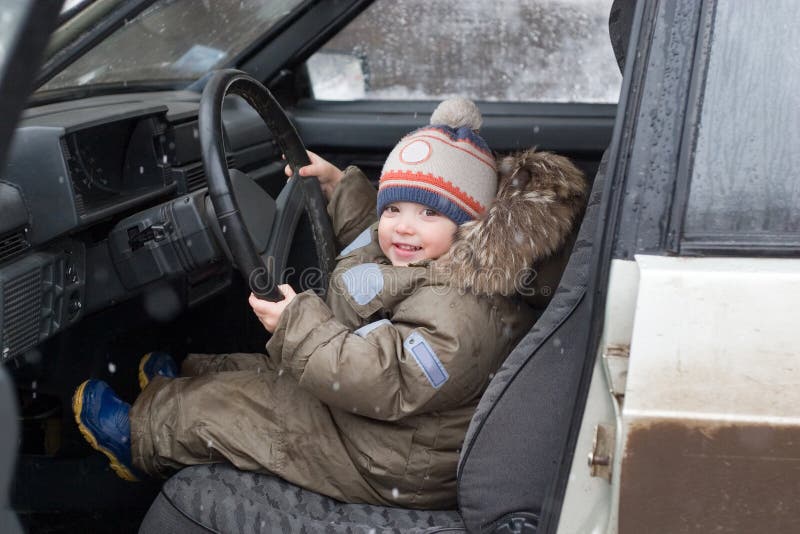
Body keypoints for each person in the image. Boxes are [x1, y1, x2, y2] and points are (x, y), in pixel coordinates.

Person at [72, 97, 586, 509]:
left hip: (391, 456)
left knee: (241, 408)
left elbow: (383, 379)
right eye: (395, 206)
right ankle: (174, 386)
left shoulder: (463, 314)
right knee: (255, 372)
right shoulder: (426, 255)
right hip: (384, 426)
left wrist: (297, 322)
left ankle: (141, 437)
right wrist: (341, 187)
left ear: (470, 228)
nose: (403, 226)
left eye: (428, 213)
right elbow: (371, 240)